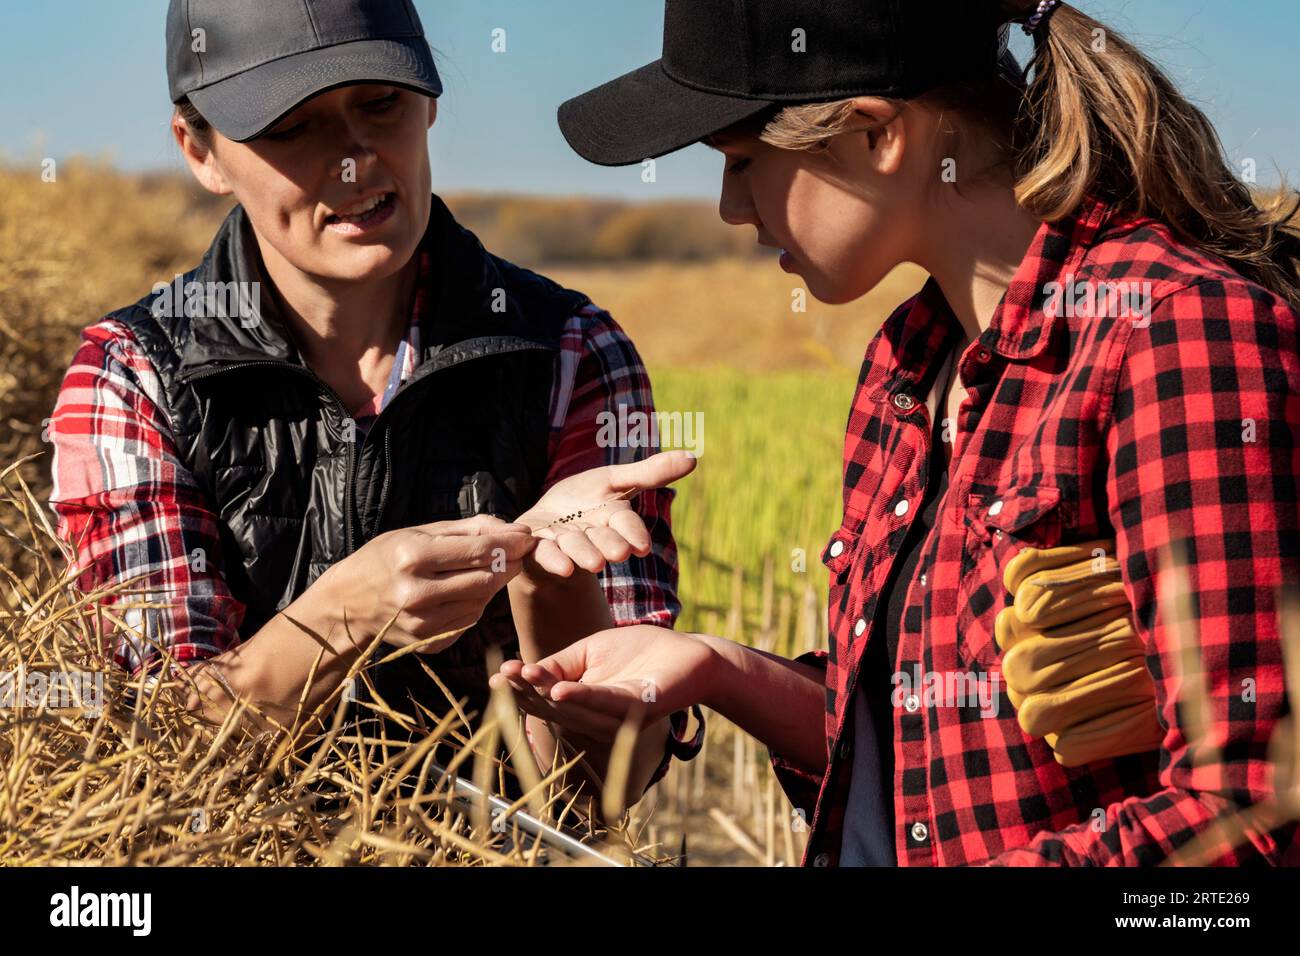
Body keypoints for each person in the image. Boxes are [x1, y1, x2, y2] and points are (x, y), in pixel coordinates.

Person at [493, 0, 1300, 864]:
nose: (731, 207)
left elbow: (1255, 808)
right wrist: (718, 668)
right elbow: (909, 756)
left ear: (878, 135)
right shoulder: (906, 364)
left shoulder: (1175, 335)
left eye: (740, 161)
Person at [47, 0, 703, 807]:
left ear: (429, 103)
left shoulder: (572, 352)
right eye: (291, 127)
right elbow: (157, 754)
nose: (355, 160)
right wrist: (344, 616)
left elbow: (606, 789)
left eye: (381, 103)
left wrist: (546, 570)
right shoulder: (132, 376)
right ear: (201, 151)